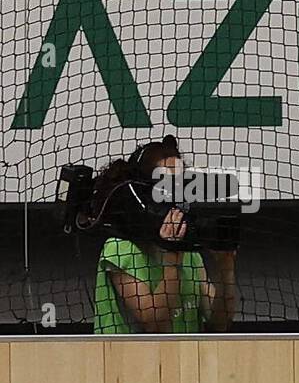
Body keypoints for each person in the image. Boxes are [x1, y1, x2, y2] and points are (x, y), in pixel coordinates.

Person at [90, 136, 237, 333]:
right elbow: (155, 326)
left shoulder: (188, 248)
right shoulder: (119, 249)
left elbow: (220, 324)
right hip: (128, 360)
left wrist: (225, 267)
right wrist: (171, 263)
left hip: (186, 359)